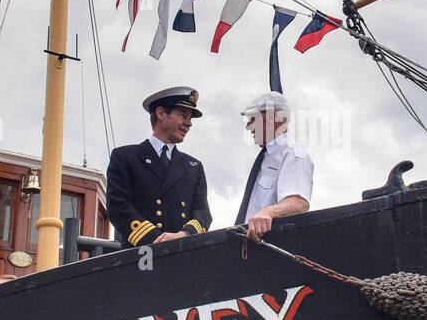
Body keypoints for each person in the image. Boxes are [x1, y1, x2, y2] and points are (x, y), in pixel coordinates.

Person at [106, 87, 211, 248]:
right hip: (141, 255)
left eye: (190, 118)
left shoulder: (194, 167)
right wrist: (158, 241)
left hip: (183, 254)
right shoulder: (125, 157)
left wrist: (184, 236)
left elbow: (202, 213)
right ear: (161, 113)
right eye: (183, 116)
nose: (189, 123)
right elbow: (118, 207)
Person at [235, 92, 313, 240]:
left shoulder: (293, 154)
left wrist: (269, 212)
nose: (248, 126)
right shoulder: (267, 157)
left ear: (271, 118)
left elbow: (299, 202)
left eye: (253, 119)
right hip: (248, 245)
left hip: (268, 248)